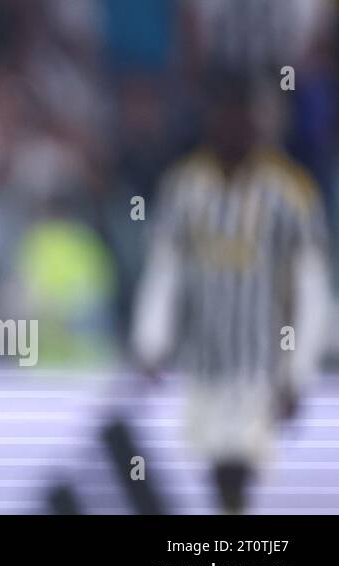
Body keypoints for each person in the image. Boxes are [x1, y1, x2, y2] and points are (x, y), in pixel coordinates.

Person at [131, 69, 331, 513]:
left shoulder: (288, 193)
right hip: (199, 364)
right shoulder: (184, 188)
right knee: (206, 474)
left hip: (261, 365)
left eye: (245, 116)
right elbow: (165, 271)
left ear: (262, 123)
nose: (235, 126)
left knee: (242, 471)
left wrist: (298, 372)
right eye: (226, 115)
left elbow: (311, 289)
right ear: (210, 121)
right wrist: (151, 343)